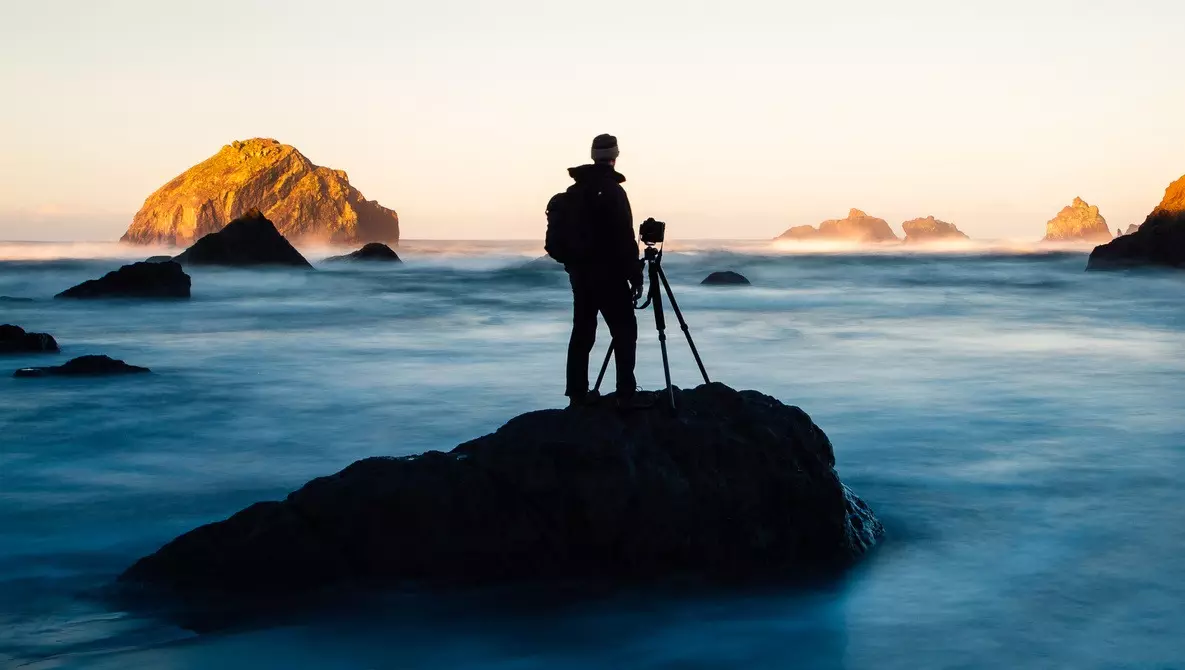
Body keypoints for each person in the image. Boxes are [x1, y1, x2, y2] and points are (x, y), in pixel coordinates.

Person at [563, 134, 649, 409]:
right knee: (624, 331)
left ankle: (577, 395)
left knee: (583, 332)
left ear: (592, 156)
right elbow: (624, 238)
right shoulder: (613, 191)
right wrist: (635, 274)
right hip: (609, 275)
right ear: (615, 156)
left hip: (579, 273)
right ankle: (626, 395)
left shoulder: (574, 191)